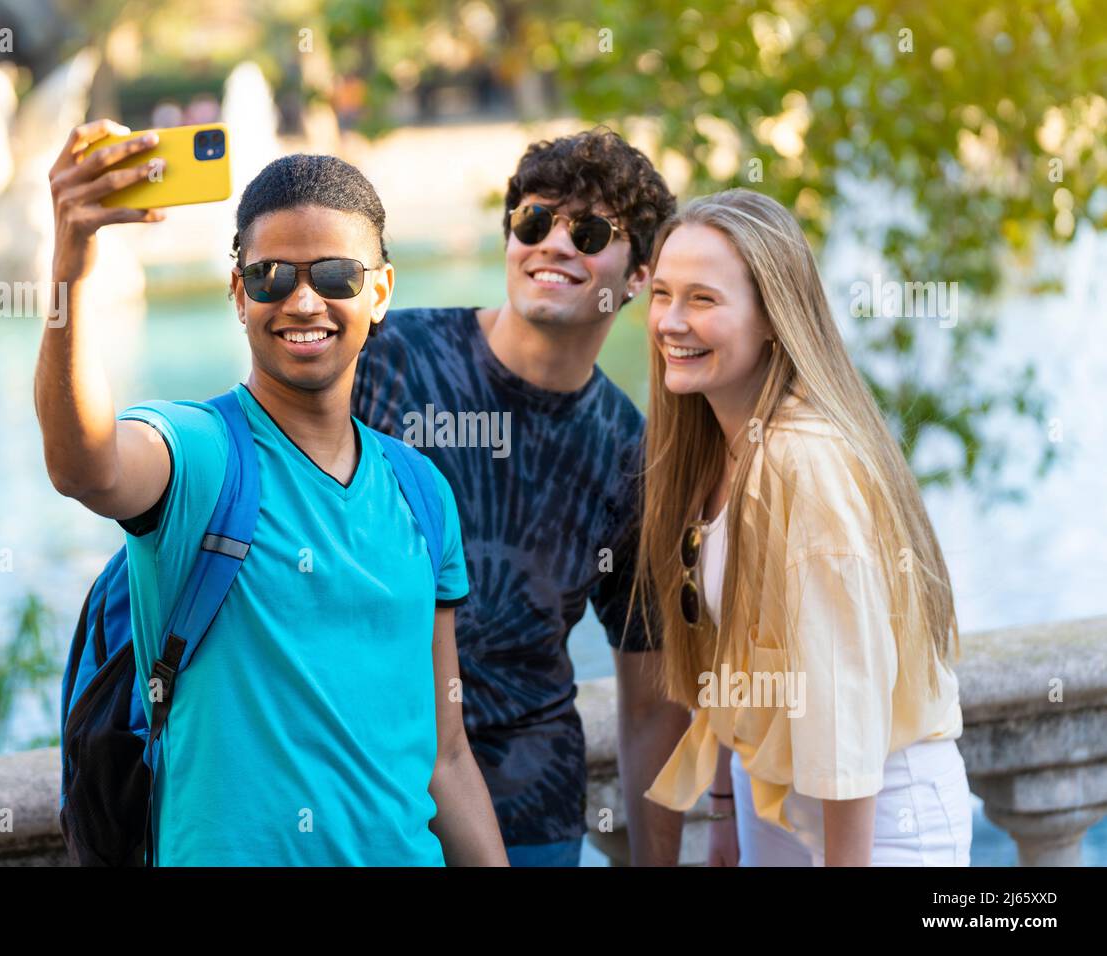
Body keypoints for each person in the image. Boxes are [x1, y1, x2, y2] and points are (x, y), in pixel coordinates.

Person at [36, 120, 507, 866]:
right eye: (272, 278)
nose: (303, 301)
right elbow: (83, 465)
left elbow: (447, 757)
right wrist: (71, 264)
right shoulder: (199, 456)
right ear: (239, 293)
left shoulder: (422, 492)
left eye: (336, 276)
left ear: (380, 291)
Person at [352, 127, 689, 866]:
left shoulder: (635, 460)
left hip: (529, 812)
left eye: (591, 231)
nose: (556, 245)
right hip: (361, 793)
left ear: (638, 275)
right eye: (534, 222)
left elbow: (650, 701)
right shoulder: (382, 359)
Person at [636, 188, 971, 866]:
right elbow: (734, 655)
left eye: (703, 299)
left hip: (875, 826)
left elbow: (844, 703)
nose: (671, 320)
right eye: (662, 293)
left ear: (772, 317)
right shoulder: (713, 445)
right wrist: (728, 813)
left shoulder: (806, 460)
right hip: (774, 806)